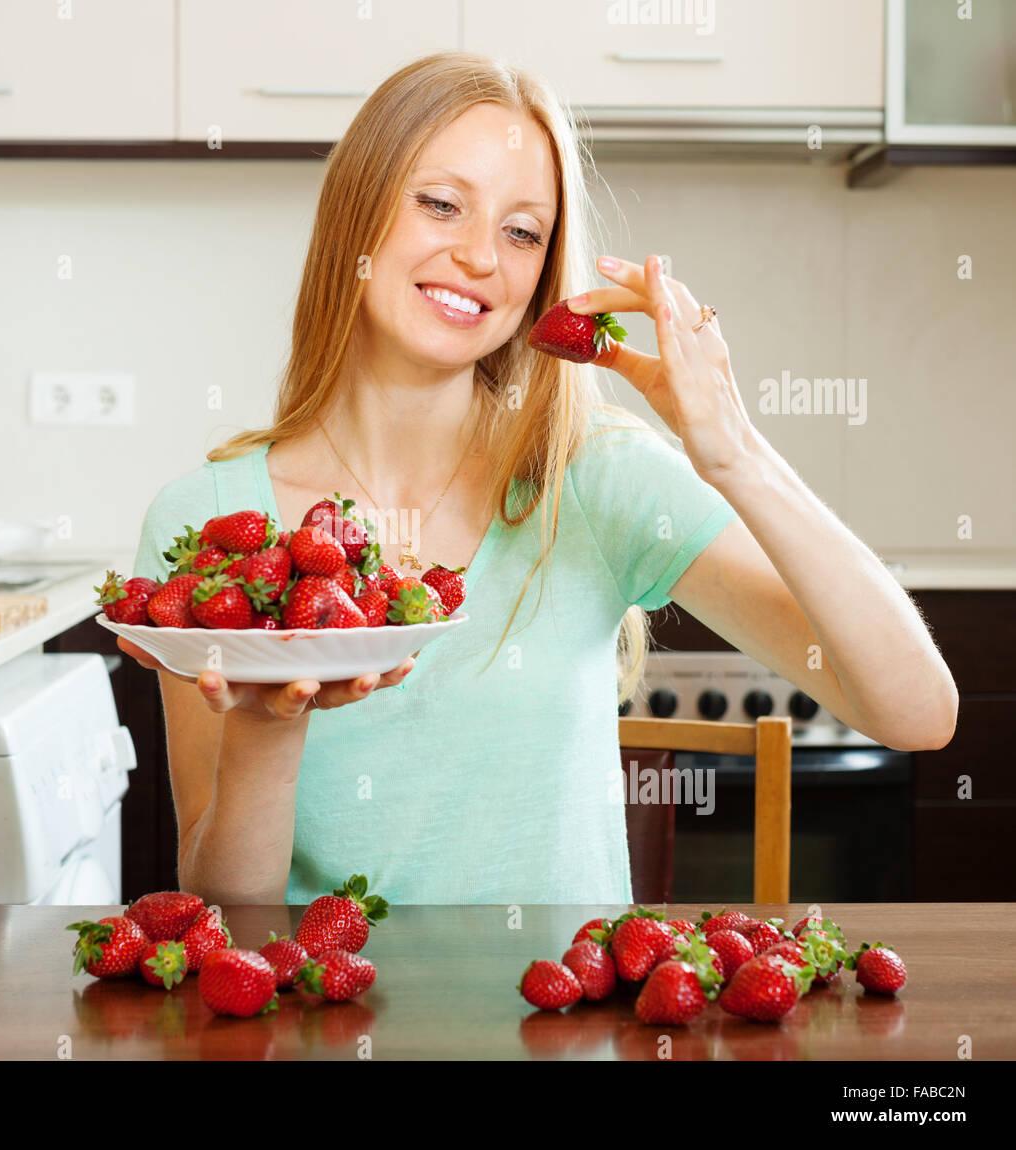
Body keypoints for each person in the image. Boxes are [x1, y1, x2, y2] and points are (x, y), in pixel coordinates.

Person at [122, 52, 957, 907]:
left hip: (560, 1034)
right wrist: (268, 726)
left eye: (523, 232)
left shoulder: (596, 479)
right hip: (327, 1033)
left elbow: (917, 714)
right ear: (355, 214)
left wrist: (733, 449)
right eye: (442, 204)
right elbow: (226, 909)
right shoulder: (208, 525)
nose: (482, 256)